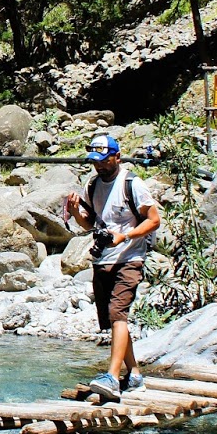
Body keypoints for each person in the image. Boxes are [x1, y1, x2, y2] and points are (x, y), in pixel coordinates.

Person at [64, 134, 161, 402]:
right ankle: (135, 375)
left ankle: (112, 377)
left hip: (129, 258)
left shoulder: (133, 185)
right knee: (113, 319)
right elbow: (90, 224)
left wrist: (125, 236)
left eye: (105, 160)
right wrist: (74, 212)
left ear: (117, 157)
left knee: (118, 313)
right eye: (96, 162)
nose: (100, 166)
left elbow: (153, 221)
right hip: (102, 260)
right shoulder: (93, 185)